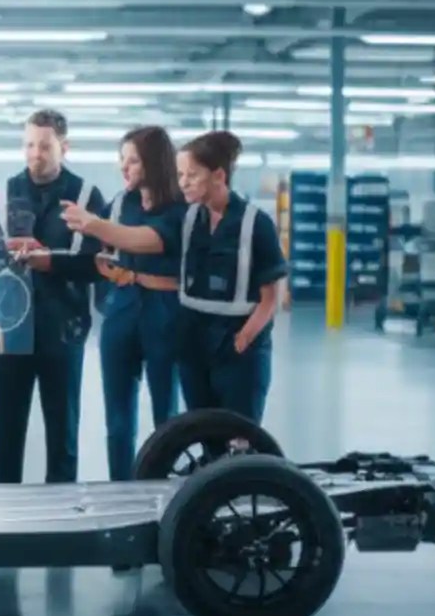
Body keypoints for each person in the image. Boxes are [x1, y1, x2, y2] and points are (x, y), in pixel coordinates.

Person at [62, 130, 287, 424]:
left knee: (239, 433)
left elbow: (272, 293)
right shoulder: (190, 217)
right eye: (180, 174)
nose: (183, 183)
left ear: (218, 176)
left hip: (236, 337)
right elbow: (129, 244)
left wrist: (245, 337)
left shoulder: (254, 223)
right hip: (193, 337)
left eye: (191, 175)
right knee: (199, 429)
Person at [0, 108, 107, 484]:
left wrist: (49, 261)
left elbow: (97, 263)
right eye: (29, 145)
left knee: (62, 433)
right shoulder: (1, 193)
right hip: (9, 326)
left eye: (44, 146)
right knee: (3, 434)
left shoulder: (87, 196)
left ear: (63, 147)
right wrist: (3, 251)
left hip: (64, 326)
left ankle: (64, 515)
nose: (35, 154)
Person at [93, 126, 186, 480]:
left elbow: (151, 240)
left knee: (166, 413)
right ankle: (120, 486)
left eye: (132, 161)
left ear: (154, 163)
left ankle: (164, 486)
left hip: (165, 310)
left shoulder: (182, 209)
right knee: (118, 418)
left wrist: (97, 226)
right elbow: (99, 250)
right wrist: (108, 269)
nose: (124, 168)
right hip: (123, 309)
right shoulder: (120, 203)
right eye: (122, 160)